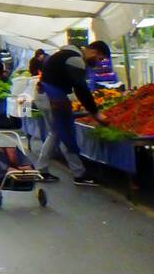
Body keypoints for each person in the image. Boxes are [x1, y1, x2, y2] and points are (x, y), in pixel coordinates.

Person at [33, 41, 111, 186]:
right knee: (64, 133)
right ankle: (79, 174)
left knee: (56, 133)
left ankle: (43, 169)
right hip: (52, 98)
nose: (99, 63)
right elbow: (81, 89)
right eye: (100, 59)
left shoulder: (67, 54)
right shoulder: (75, 60)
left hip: (45, 95)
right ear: (94, 52)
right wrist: (95, 113)